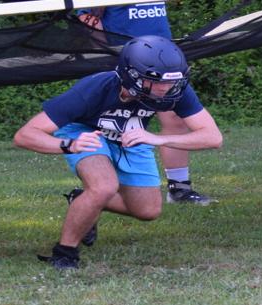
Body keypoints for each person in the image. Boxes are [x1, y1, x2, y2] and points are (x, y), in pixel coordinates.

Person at [13, 35, 223, 270]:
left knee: (148, 211)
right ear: (131, 75)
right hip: (89, 134)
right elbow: (25, 135)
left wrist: (158, 138)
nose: (166, 89)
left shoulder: (172, 89)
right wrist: (68, 145)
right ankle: (65, 252)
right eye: (157, 82)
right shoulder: (94, 88)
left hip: (132, 136)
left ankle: (84, 200)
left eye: (171, 82)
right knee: (103, 186)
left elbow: (213, 137)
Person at [76, 2, 215, 204]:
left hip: (163, 59)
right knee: (111, 123)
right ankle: (99, 190)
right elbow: (86, 15)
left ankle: (179, 188)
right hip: (126, 60)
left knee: (176, 118)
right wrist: (108, 51)